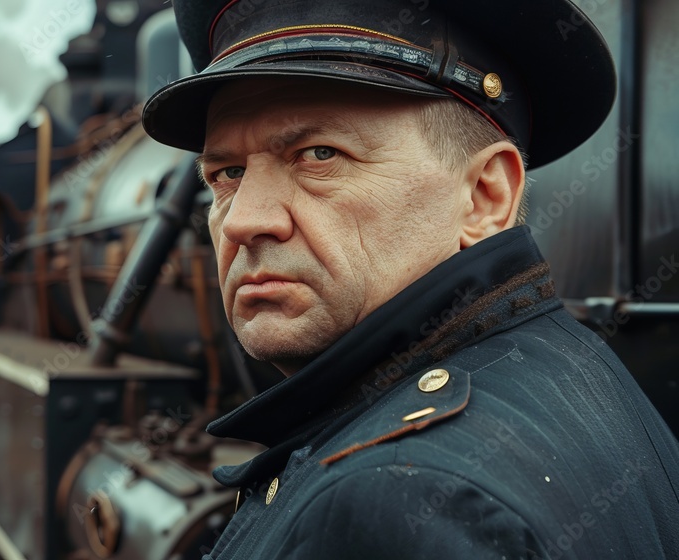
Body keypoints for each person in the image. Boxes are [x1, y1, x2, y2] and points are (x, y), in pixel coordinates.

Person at [141, 0, 679, 558]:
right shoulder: (578, 373)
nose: (246, 220)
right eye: (227, 173)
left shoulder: (393, 504)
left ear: (483, 198)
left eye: (319, 155)